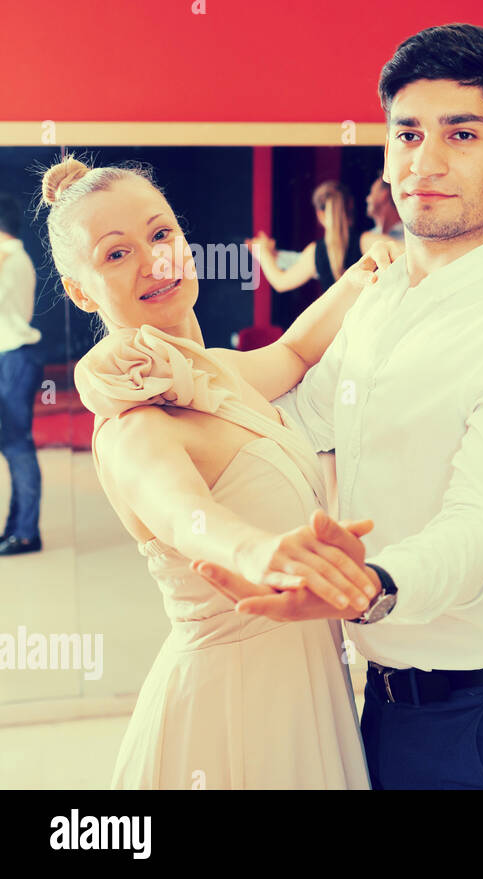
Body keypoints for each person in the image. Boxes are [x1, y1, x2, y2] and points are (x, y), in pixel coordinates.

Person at [195, 23, 483, 790]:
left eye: (461, 133)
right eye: (408, 134)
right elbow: (295, 414)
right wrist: (163, 388)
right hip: (388, 703)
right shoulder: (382, 295)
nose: (426, 160)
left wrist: (372, 582)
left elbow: (482, 526)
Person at [49, 154, 393, 788]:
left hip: (305, 688)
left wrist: (360, 278)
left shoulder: (211, 371)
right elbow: (186, 515)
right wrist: (259, 552)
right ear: (78, 290)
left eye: (161, 234)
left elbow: (291, 352)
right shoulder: (133, 426)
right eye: (116, 254)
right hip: (233, 711)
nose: (154, 262)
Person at [247, 180, 364, 326]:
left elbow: (280, 282)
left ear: (320, 215)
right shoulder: (369, 242)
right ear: (350, 205)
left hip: (337, 331)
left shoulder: (316, 252)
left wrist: (262, 251)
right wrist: (273, 254)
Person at [0, 193, 43, 556]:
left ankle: (26, 532)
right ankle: (16, 527)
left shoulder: (11, 261)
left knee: (17, 445)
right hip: (10, 357)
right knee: (12, 445)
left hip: (14, 357)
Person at [359, 175, 406, 252]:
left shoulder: (410, 236)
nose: (367, 198)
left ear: (384, 194)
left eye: (371, 192)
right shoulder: (368, 236)